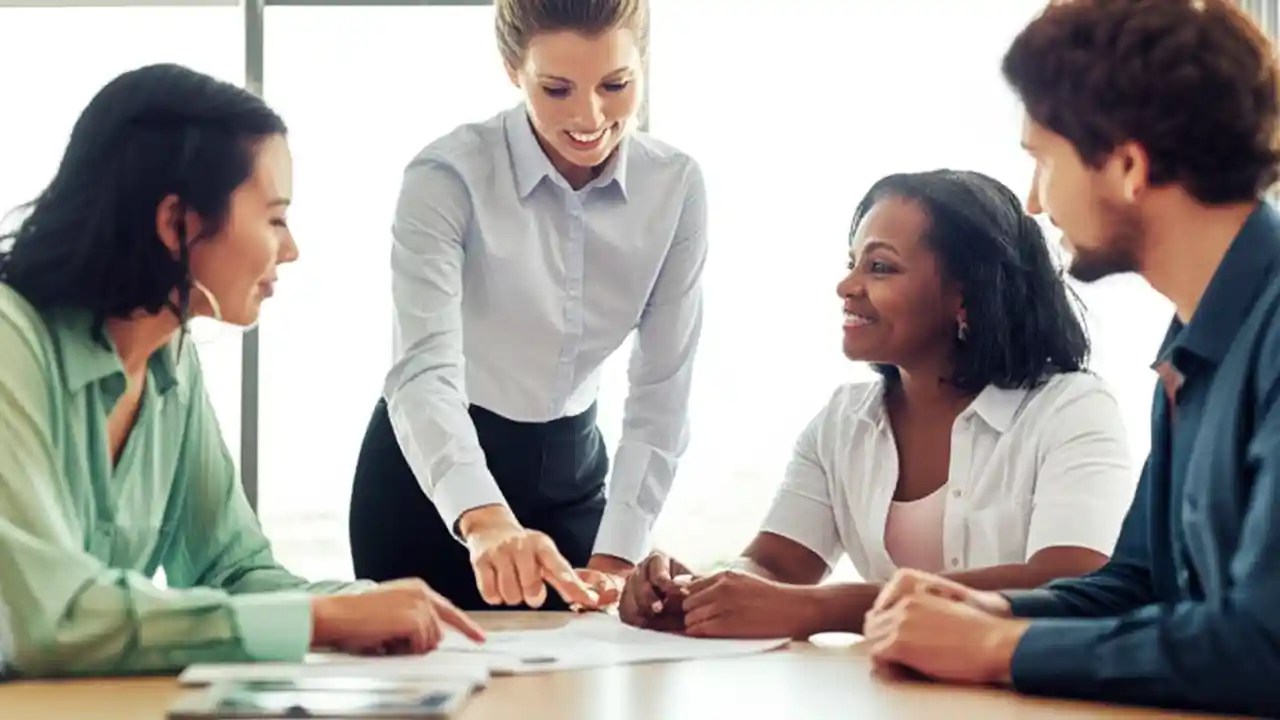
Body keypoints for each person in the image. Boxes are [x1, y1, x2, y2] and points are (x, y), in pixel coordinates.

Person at [862, 1, 1280, 716]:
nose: (1031, 201)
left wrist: (998, 650)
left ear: (1125, 165)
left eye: (1043, 160)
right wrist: (987, 609)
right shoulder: (1198, 340)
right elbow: (1139, 585)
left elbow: (1264, 645)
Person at [0, 64, 483, 678]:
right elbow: (48, 621)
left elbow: (232, 571)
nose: (291, 248)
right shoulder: (10, 342)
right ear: (178, 223)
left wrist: (371, 603)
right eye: (275, 217)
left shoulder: (170, 362)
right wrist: (320, 622)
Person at [619, 169, 1135, 638]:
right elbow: (776, 566)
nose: (847, 286)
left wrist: (823, 609)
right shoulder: (843, 422)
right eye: (853, 263)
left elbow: (1071, 580)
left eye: (880, 267)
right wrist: (700, 591)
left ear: (966, 295)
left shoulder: (1070, 409)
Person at [349, 0, 706, 612]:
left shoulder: (675, 186)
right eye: (557, 88)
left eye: (616, 85)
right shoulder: (447, 176)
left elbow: (661, 392)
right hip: (431, 482)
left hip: (572, 476)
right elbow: (422, 373)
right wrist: (485, 521)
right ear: (514, 68)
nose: (589, 115)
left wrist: (617, 556)